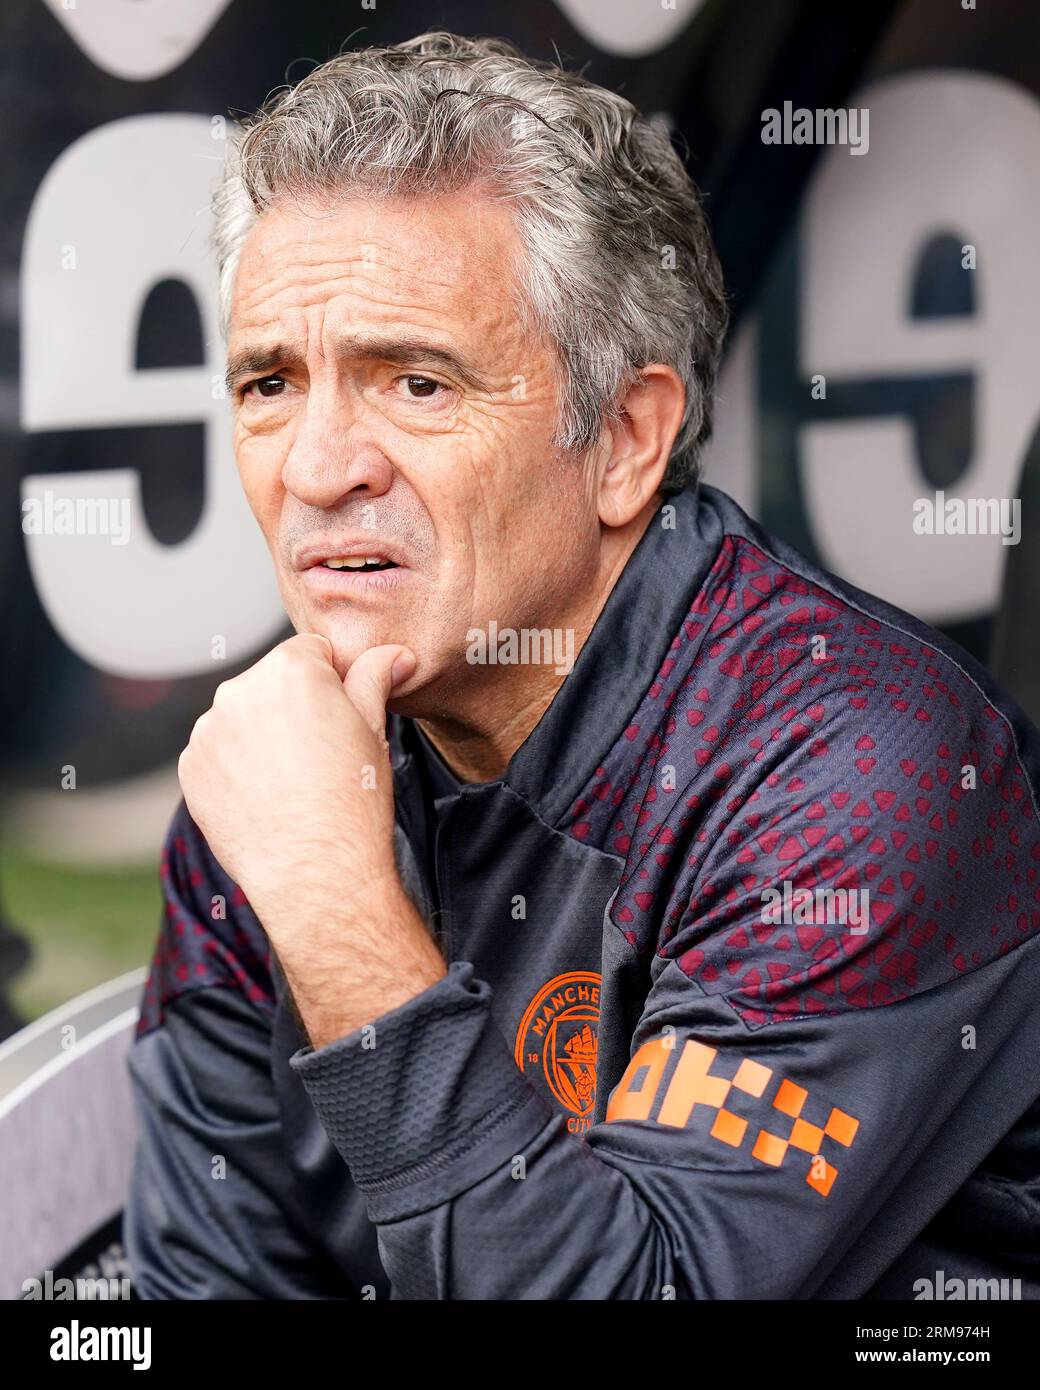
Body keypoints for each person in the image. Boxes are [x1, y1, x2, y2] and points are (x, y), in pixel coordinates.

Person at [124, 30, 1040, 1300]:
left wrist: (338, 909)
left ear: (622, 439)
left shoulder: (860, 766)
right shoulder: (270, 779)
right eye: (271, 382)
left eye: (416, 382)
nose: (320, 468)